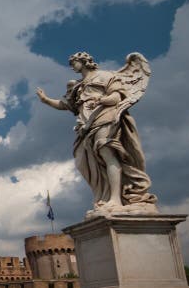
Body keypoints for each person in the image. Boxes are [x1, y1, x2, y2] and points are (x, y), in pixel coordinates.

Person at [36, 52, 156, 216]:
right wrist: (46, 99)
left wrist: (101, 100)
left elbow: (116, 97)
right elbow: (65, 105)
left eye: (74, 62)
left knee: (106, 153)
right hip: (85, 126)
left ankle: (116, 199)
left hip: (104, 117)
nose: (72, 66)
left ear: (84, 61)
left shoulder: (105, 76)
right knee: (85, 162)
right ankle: (104, 197)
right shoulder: (77, 85)